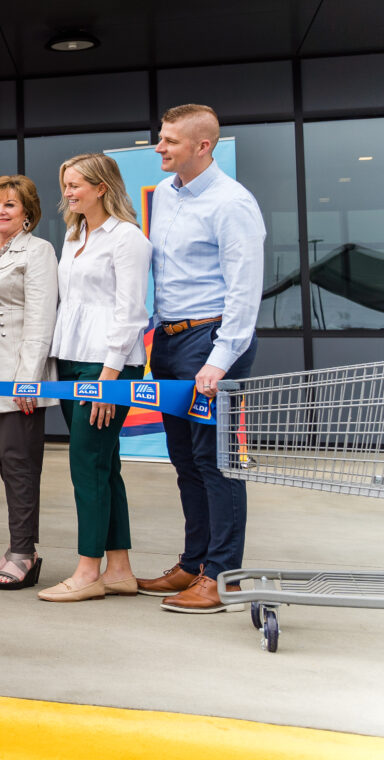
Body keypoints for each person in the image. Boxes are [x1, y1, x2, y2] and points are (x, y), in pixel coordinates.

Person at [139, 104, 265, 614]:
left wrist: (221, 357)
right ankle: (193, 563)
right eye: (160, 138)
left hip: (211, 341)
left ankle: (222, 575)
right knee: (184, 459)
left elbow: (244, 290)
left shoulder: (232, 203)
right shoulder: (166, 196)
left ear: (202, 146)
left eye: (169, 141)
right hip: (169, 341)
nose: (160, 148)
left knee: (216, 463)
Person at [38, 155, 150, 602]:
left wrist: (107, 378)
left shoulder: (127, 239)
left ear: (102, 186)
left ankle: (88, 572)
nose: (67, 192)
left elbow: (130, 313)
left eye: (76, 184)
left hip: (107, 365)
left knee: (87, 465)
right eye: (65, 184)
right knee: (105, 466)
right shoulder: (75, 235)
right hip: (72, 361)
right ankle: (119, 569)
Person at [0, 174, 58, 591]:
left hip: (17, 379)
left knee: (20, 467)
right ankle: (17, 547)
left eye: (9, 204)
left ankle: (25, 553)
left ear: (27, 213)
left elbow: (41, 319)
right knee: (7, 466)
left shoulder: (37, 251)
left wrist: (29, 382)